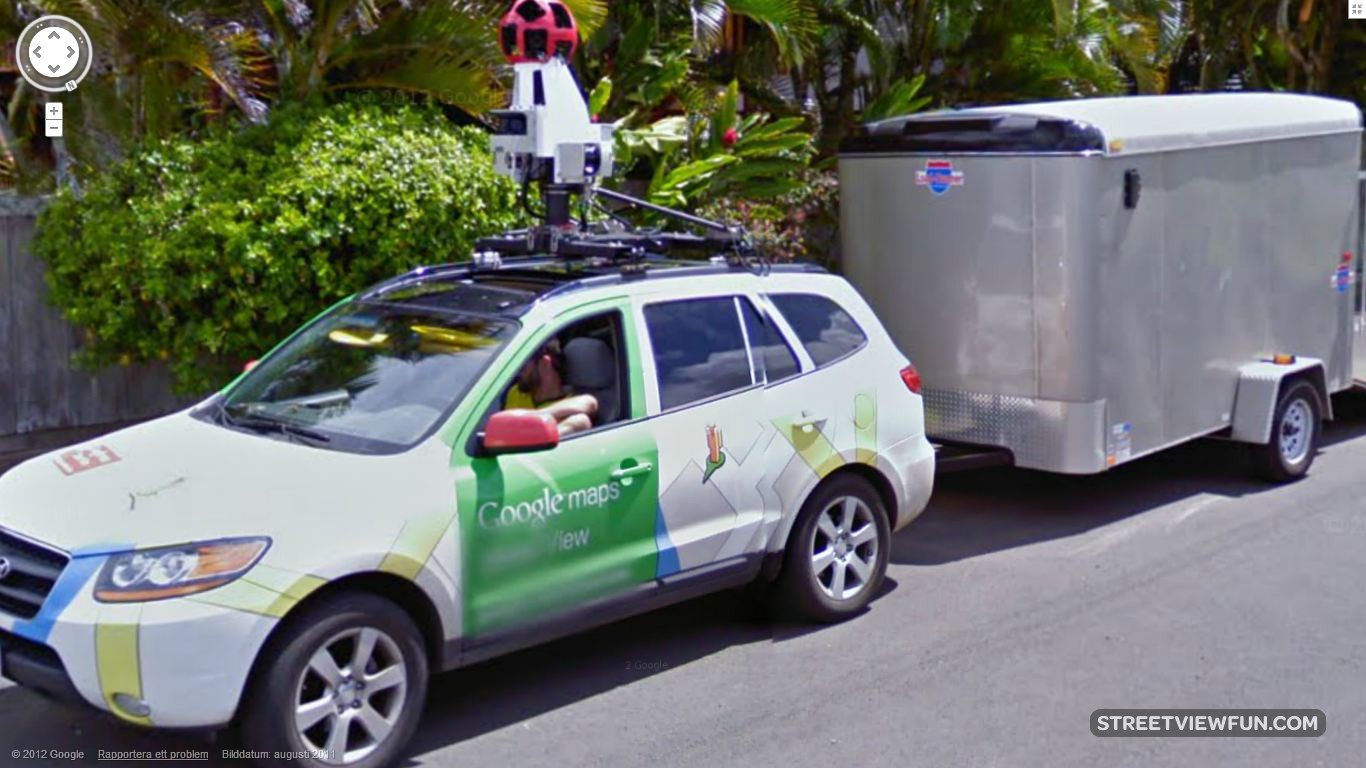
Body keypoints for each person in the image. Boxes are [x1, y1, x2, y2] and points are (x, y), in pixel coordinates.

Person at [503, 339, 598, 436]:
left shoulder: (572, 402)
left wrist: (531, 416)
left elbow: (590, 403)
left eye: (523, 365)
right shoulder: (516, 393)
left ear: (545, 363)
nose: (518, 371)